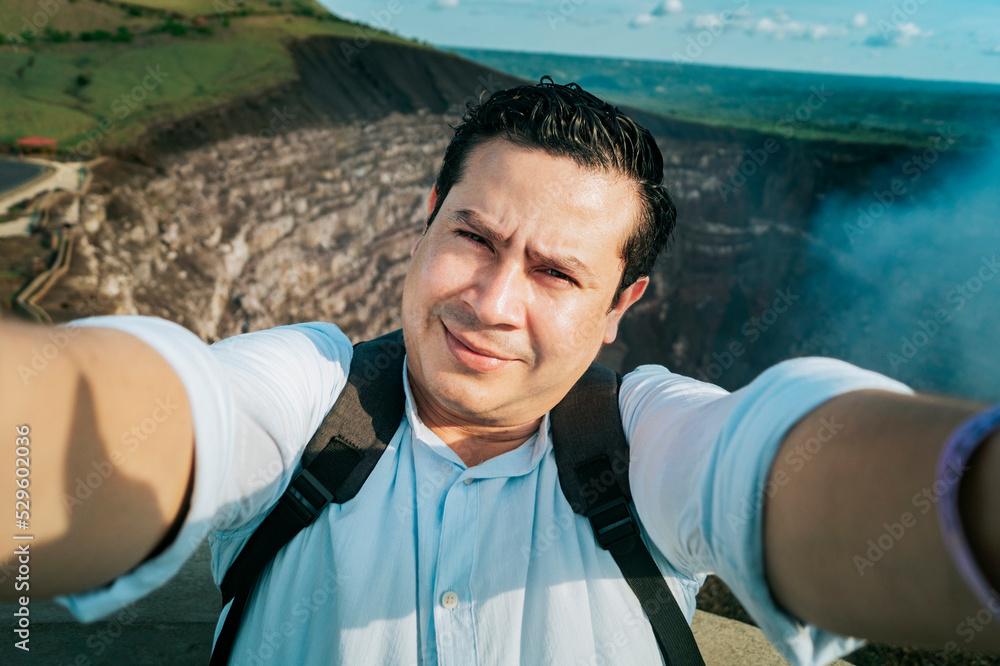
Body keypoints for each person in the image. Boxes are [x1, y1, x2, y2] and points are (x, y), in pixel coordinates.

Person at [2, 79, 999, 665]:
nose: (490, 301)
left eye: (557, 272)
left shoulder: (646, 440)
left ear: (621, 310)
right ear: (425, 216)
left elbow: (785, 461)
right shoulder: (307, 394)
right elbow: (159, 417)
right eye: (473, 237)